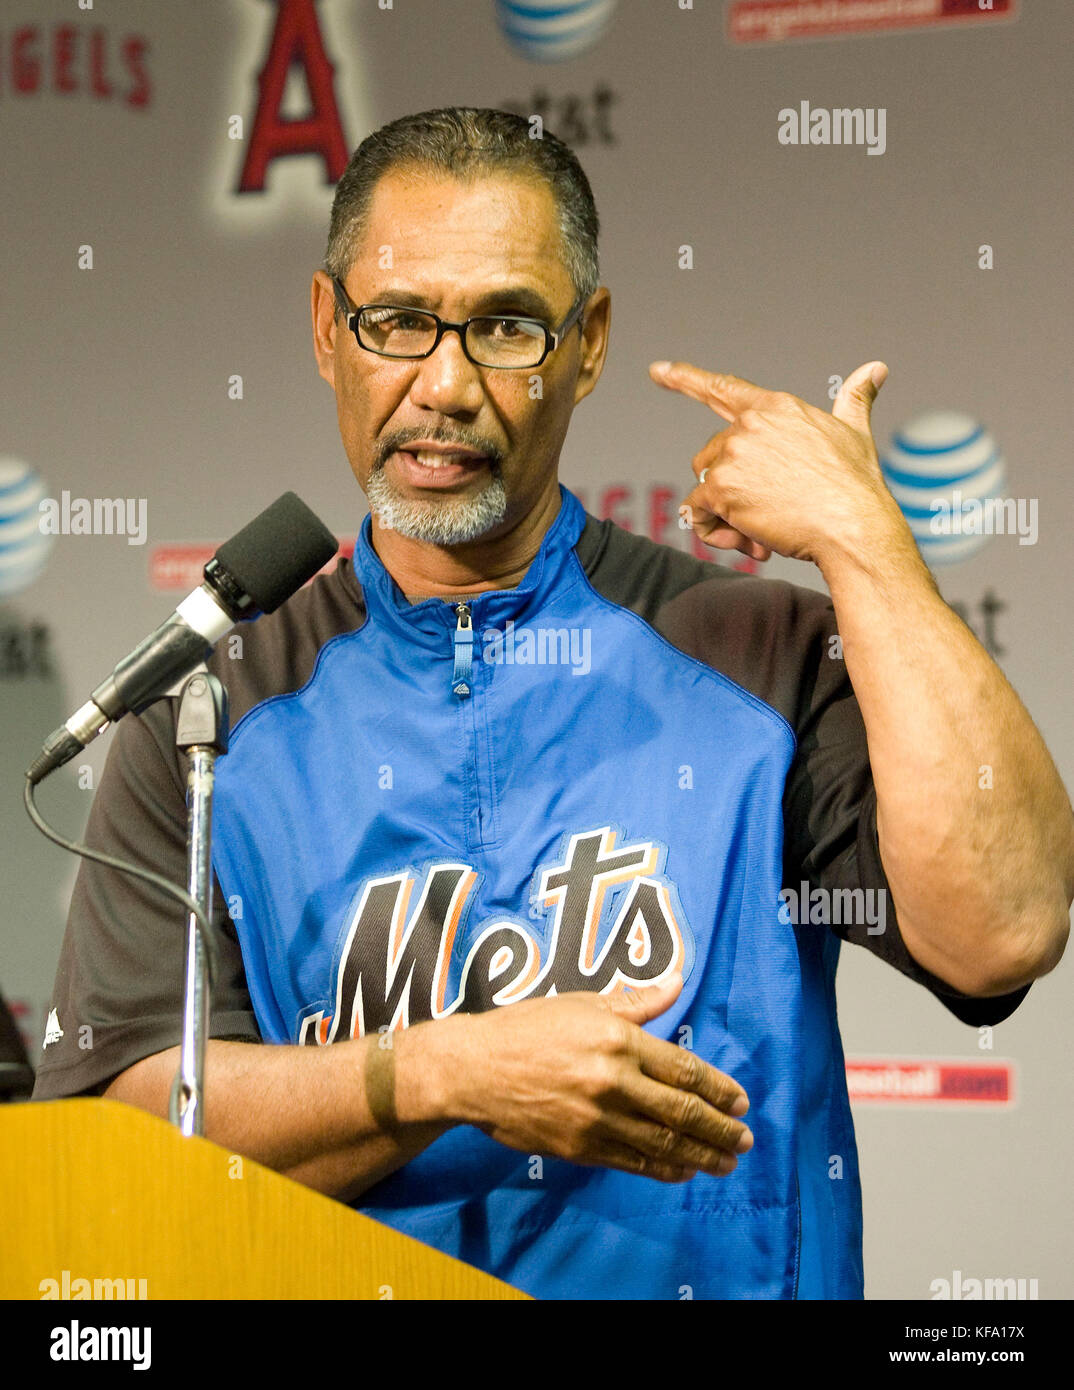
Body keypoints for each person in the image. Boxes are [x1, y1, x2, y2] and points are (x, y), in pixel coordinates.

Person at [32, 108, 1072, 1300]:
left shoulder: (758, 651)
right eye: (400, 320)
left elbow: (1006, 929)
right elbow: (133, 1119)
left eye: (508, 326)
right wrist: (437, 1074)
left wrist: (867, 542)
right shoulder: (209, 713)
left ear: (588, 343)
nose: (446, 383)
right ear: (329, 329)